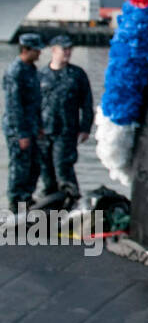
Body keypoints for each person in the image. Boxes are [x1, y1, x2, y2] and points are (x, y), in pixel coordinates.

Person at [37, 33, 94, 201]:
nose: (68, 52)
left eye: (70, 49)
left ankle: (72, 203)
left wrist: (85, 128)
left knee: (63, 169)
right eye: (64, 49)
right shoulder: (41, 75)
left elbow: (86, 104)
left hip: (66, 131)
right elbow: (32, 104)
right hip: (43, 132)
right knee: (46, 172)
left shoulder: (77, 74)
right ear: (54, 50)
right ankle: (51, 209)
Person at [4, 33, 45, 213]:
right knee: (19, 166)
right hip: (18, 129)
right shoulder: (16, 72)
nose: (39, 53)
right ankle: (15, 202)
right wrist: (21, 134)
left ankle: (26, 198)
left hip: (32, 126)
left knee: (35, 164)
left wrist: (39, 126)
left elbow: (36, 102)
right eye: (36, 50)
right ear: (25, 50)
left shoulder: (32, 70)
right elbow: (14, 105)